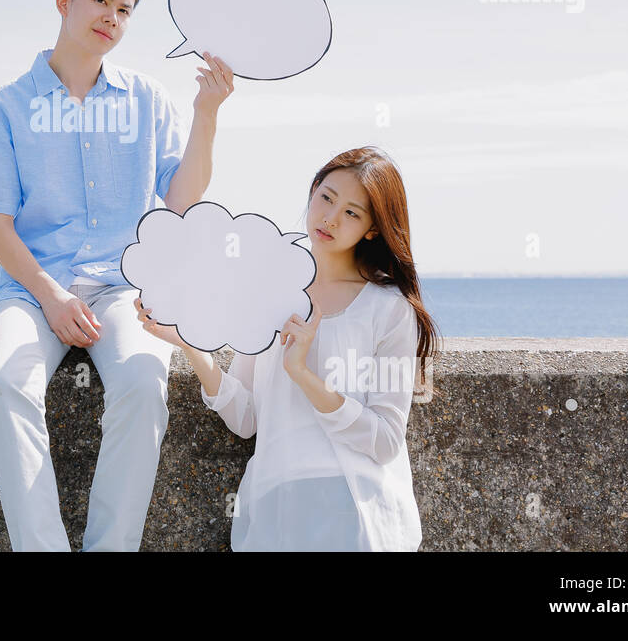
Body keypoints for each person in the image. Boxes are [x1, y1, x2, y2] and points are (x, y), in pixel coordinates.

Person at [0, 0, 235, 551]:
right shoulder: (2, 109)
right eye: (101, 1)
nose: (112, 17)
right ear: (65, 2)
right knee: (6, 384)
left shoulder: (147, 99)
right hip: (33, 290)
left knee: (142, 384)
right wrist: (52, 297)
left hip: (124, 288)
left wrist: (206, 112)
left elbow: (181, 199)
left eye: (126, 10)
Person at [136, 146, 440, 550]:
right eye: (327, 197)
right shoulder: (268, 291)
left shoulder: (387, 308)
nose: (330, 218)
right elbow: (246, 418)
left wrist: (303, 375)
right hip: (278, 505)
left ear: (372, 229)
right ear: (313, 190)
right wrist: (191, 344)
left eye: (352, 212)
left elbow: (385, 440)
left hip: (356, 511)